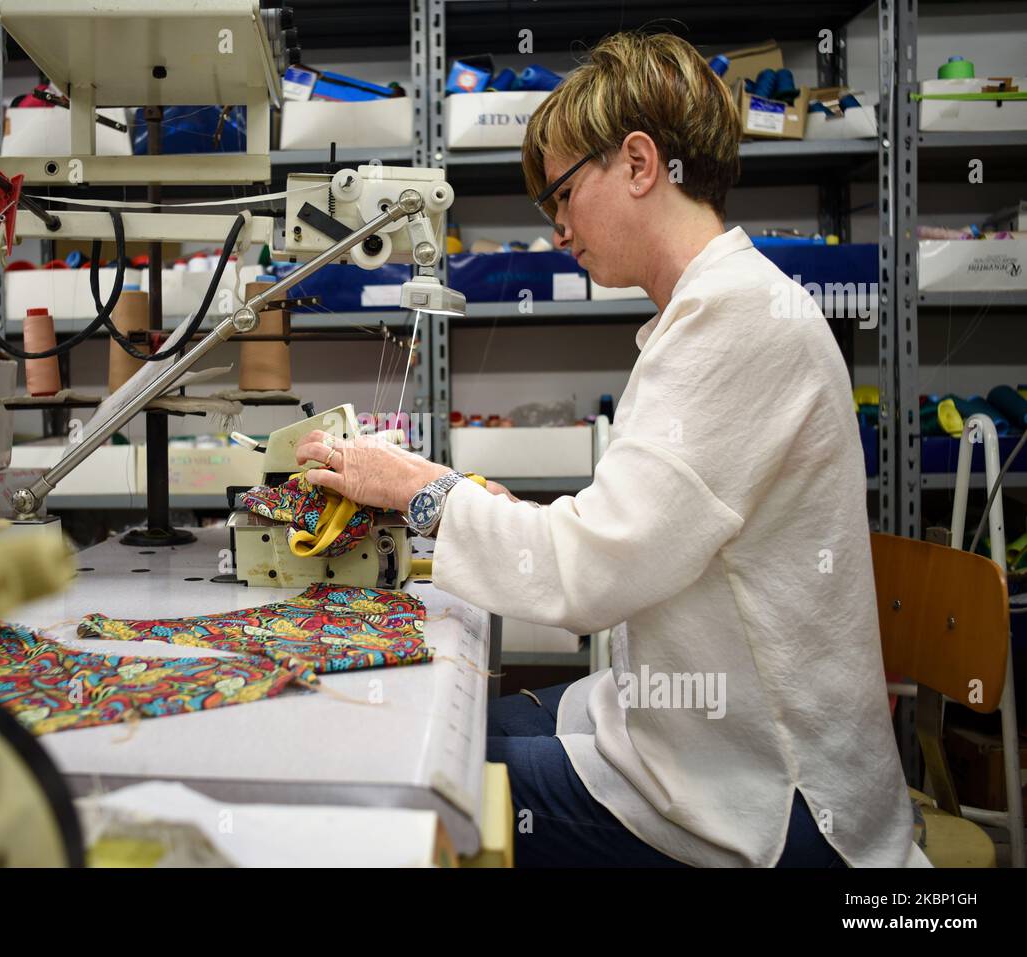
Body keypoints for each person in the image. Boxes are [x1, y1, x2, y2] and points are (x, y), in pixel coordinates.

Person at [294, 31, 926, 867]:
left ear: (637, 163)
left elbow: (589, 572)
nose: (558, 229)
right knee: (454, 720)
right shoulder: (707, 312)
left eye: (561, 194)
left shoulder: (736, 323)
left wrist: (419, 488)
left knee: (411, 775)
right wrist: (472, 507)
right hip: (687, 723)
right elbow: (633, 534)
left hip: (774, 800)